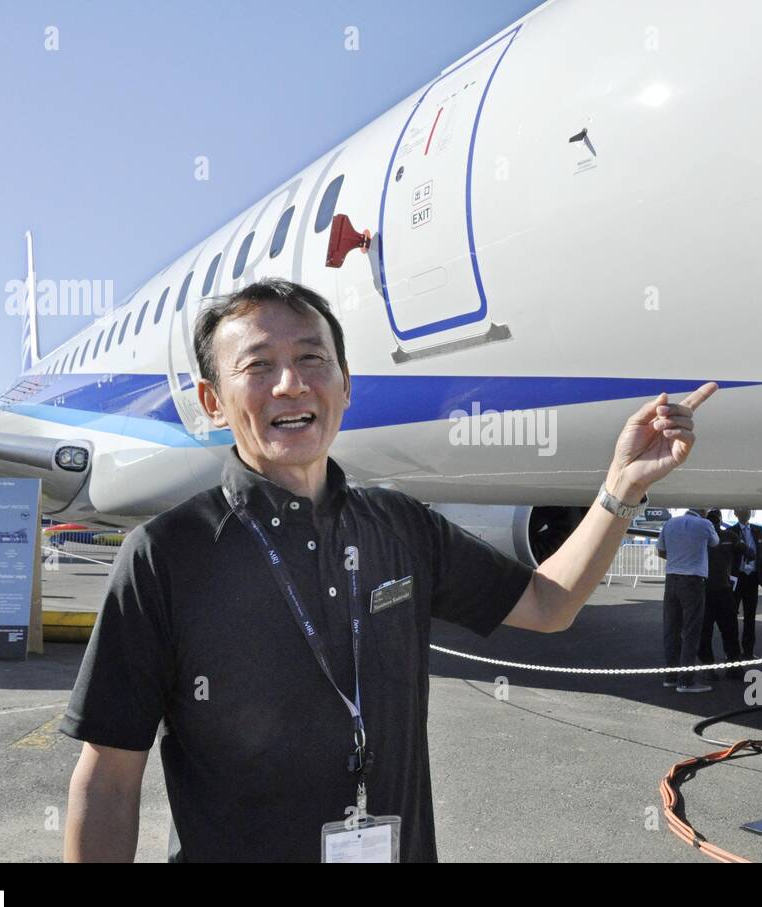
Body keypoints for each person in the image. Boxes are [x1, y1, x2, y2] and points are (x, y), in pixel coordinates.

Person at [60, 277, 719, 862]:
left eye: (311, 359)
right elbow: (109, 778)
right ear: (211, 400)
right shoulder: (165, 555)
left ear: (345, 386)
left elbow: (550, 604)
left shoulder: (401, 526)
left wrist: (620, 488)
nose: (290, 382)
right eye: (259, 366)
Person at [654, 507, 718, 692]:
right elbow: (715, 543)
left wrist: (676, 557)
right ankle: (686, 680)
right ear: (704, 511)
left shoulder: (670, 522)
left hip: (671, 579)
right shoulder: (705, 524)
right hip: (693, 581)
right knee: (691, 630)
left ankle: (671, 676)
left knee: (671, 629)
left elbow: (660, 551)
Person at [701, 508, 745, 674]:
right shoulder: (726, 537)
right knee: (720, 631)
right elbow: (749, 552)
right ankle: (718, 667)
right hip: (715, 591)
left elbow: (748, 552)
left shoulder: (727, 537)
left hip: (717, 590)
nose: (714, 523)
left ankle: (718, 667)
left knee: (724, 631)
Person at [731, 508, 762, 659]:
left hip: (752, 578)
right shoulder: (731, 531)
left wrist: (760, 570)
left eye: (748, 510)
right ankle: (733, 652)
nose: (746, 513)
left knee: (750, 616)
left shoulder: (757, 530)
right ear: (736, 514)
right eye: (742, 510)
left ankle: (748, 651)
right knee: (731, 615)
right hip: (738, 578)